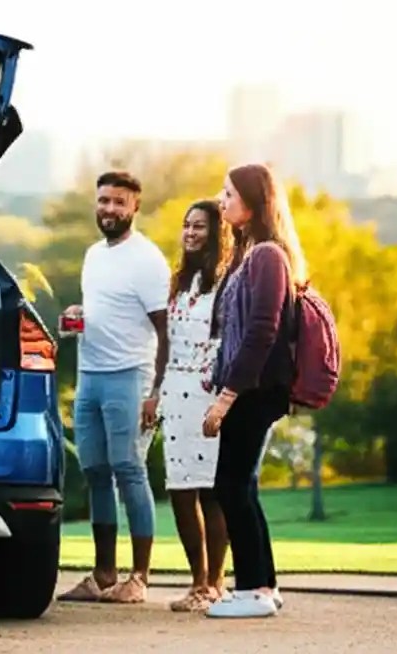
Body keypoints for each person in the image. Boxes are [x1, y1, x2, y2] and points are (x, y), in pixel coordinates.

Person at [57, 170, 171, 605]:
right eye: (103, 200)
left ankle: (138, 578)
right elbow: (109, 309)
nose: (109, 208)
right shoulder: (93, 255)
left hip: (131, 375)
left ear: (135, 207)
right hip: (91, 375)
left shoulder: (148, 260)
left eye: (119, 202)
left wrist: (156, 392)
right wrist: (78, 316)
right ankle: (104, 574)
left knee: (129, 469)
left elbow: (166, 331)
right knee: (95, 473)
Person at [202, 163, 305, 618]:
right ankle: (266, 585)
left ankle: (251, 591)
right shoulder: (250, 254)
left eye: (229, 194)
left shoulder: (266, 256)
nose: (221, 200)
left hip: (256, 390)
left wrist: (227, 397)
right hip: (249, 387)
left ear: (253, 202)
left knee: (230, 486)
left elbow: (262, 331)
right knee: (242, 485)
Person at [158, 200, 231, 612]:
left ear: (216, 232)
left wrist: (222, 397)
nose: (190, 232)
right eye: (186, 225)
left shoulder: (227, 281)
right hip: (176, 391)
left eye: (199, 226)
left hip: (209, 392)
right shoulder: (180, 282)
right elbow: (164, 341)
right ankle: (197, 581)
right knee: (181, 491)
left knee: (212, 492)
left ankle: (214, 583)